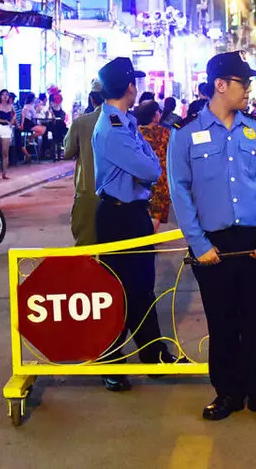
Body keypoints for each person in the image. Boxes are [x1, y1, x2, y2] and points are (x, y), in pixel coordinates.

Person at [167, 51, 256, 423]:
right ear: (220, 85)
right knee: (222, 321)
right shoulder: (185, 136)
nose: (249, 89)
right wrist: (199, 245)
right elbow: (179, 192)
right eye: (242, 82)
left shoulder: (255, 131)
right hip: (212, 245)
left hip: (255, 242)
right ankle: (228, 393)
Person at [92, 57, 178, 391]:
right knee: (120, 292)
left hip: (132, 214)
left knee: (140, 289)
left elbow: (148, 162)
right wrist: (147, 160)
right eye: (135, 82)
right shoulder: (113, 128)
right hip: (118, 216)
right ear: (129, 87)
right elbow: (151, 170)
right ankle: (110, 361)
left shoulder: (123, 121)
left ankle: (154, 356)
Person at [65, 84, 105, 245]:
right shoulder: (127, 121)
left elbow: (68, 152)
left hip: (88, 191)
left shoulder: (81, 122)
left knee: (86, 247)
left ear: (91, 99)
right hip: (119, 197)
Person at [135, 100, 171, 231]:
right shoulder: (165, 133)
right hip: (161, 177)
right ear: (155, 114)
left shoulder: (134, 133)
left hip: (139, 176)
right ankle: (151, 236)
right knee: (157, 209)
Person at [0, 90, 17, 178]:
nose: (5, 96)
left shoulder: (11, 106)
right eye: (3, 95)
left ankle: (4, 173)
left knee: (5, 152)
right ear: (0, 96)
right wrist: (5, 121)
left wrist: (12, 121)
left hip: (6, 129)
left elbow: (15, 115)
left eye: (7, 95)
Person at [21, 93, 47, 159]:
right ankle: (30, 138)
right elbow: (34, 116)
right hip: (28, 123)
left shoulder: (27, 105)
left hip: (29, 122)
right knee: (43, 130)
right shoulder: (30, 106)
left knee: (44, 129)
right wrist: (37, 108)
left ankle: (30, 138)